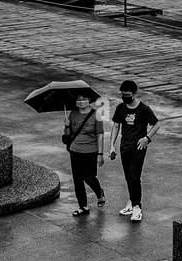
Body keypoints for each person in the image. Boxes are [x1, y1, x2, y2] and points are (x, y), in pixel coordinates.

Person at [108, 80, 158, 222]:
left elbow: (157, 124)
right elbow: (116, 126)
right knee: (128, 177)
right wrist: (112, 145)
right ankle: (131, 202)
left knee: (135, 177)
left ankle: (137, 207)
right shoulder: (120, 108)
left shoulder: (143, 109)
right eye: (122, 95)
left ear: (134, 94)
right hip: (125, 147)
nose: (124, 97)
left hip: (138, 148)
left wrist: (147, 138)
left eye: (127, 95)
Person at [64, 92, 105, 216]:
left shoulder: (96, 115)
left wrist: (100, 154)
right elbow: (67, 134)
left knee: (89, 177)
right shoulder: (72, 114)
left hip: (90, 151)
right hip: (75, 150)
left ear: (89, 100)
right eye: (78, 99)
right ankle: (83, 206)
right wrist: (66, 125)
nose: (81, 101)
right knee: (77, 179)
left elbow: (100, 135)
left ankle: (99, 192)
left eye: (84, 99)